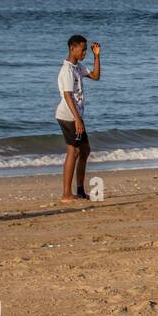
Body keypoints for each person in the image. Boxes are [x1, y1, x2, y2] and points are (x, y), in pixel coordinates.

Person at [56, 34, 101, 201]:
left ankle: (80, 190)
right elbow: (67, 96)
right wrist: (77, 118)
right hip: (68, 115)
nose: (84, 53)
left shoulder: (77, 67)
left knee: (85, 150)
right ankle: (66, 194)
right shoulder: (67, 70)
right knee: (73, 151)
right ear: (72, 48)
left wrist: (97, 56)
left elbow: (96, 76)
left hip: (76, 115)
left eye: (85, 50)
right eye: (82, 50)